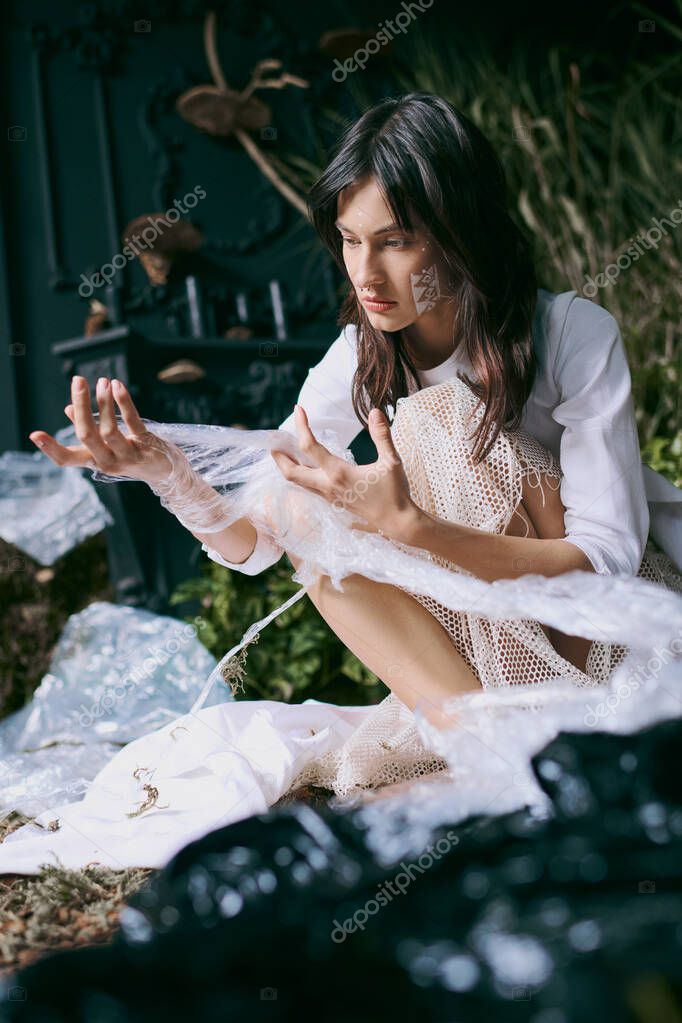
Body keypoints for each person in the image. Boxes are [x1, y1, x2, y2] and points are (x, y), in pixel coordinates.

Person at [11, 94, 681, 875]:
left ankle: (505, 744)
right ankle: (484, 746)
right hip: (483, 657)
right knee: (303, 504)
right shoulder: (359, 357)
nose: (365, 274)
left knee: (434, 423)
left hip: (603, 640)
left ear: (464, 233)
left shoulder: (571, 331)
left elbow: (605, 559)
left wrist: (416, 531)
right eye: (350, 240)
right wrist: (163, 471)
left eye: (396, 242)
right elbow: (261, 541)